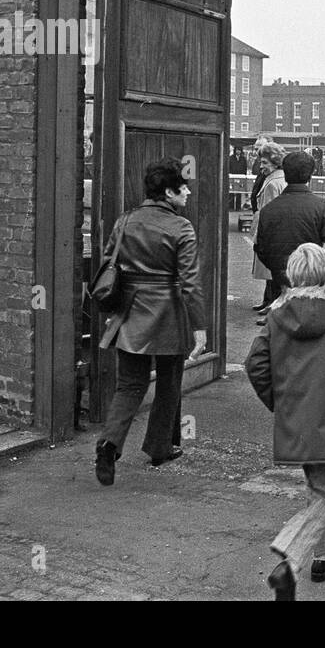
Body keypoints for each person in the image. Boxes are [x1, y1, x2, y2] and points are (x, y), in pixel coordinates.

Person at [245, 243, 325, 601]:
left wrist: (279, 402)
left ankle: (322, 556)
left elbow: (254, 364)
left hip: (295, 415)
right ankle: (290, 562)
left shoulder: (276, 315)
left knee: (317, 487)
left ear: (292, 274)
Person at [94, 158, 207, 486]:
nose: (187, 193)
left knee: (130, 384)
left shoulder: (126, 220)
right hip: (169, 312)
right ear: (170, 192)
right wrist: (200, 329)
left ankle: (108, 444)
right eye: (183, 188)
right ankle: (160, 447)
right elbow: (190, 282)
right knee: (170, 382)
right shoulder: (181, 227)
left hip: (130, 312)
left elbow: (108, 262)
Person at [254, 151, 325, 323]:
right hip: (312, 276)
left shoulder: (268, 210)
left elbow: (260, 247)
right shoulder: (321, 207)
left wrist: (277, 270)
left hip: (282, 277)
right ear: (310, 175)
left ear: (285, 173)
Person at [251, 145, 287, 314]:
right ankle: (267, 300)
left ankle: (271, 304)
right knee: (270, 271)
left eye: (264, 162)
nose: (261, 166)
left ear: (274, 163)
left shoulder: (273, 183)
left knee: (271, 268)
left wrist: (261, 237)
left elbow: (270, 214)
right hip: (276, 232)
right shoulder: (276, 178)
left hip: (270, 234)